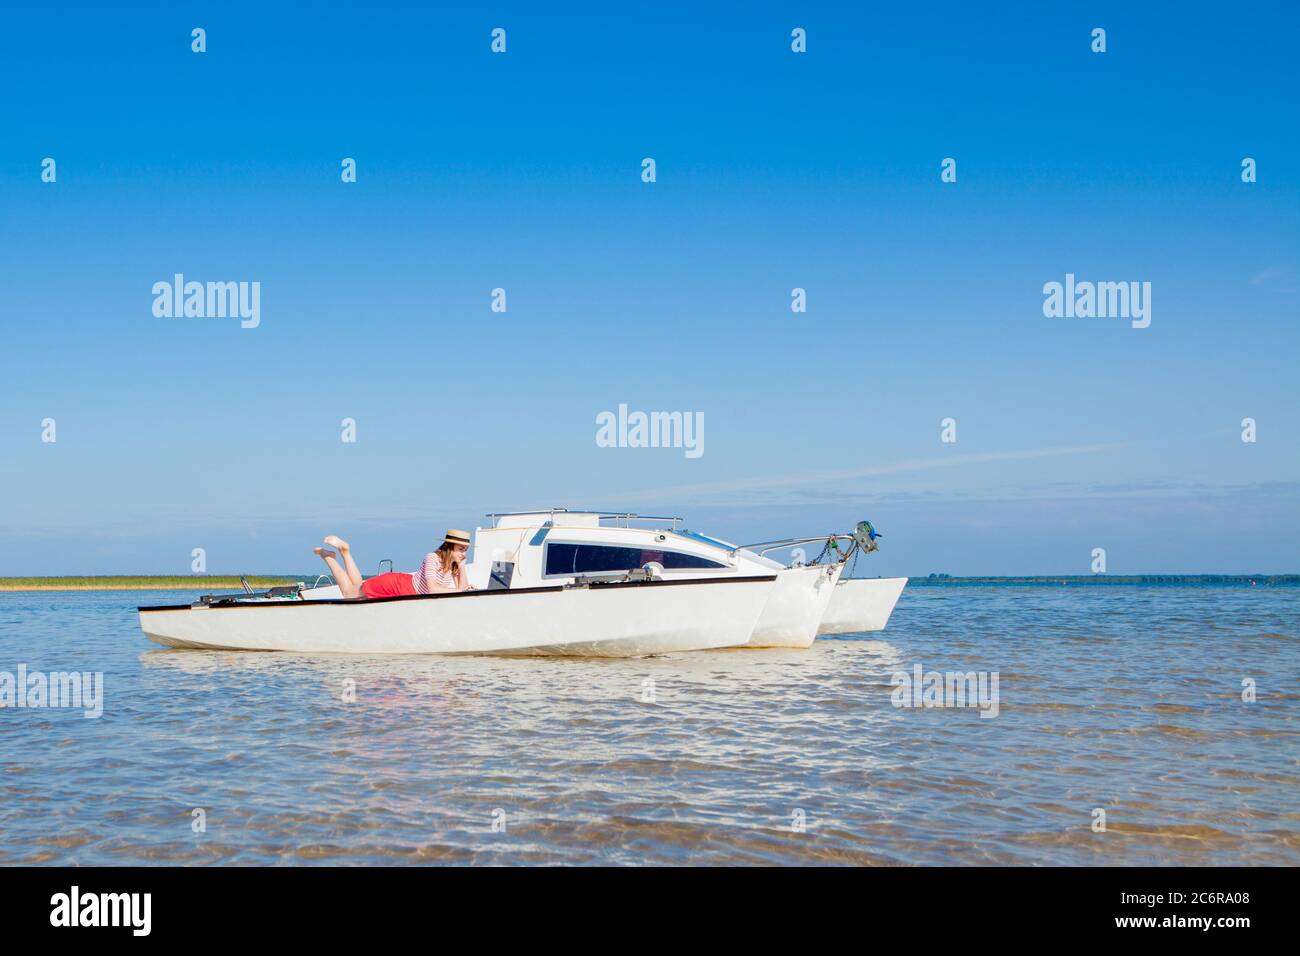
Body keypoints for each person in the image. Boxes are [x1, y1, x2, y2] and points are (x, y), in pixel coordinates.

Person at [313, 530, 473, 600]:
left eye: (465, 550)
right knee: (349, 593)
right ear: (449, 548)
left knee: (357, 586)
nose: (463, 554)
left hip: (404, 588)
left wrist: (462, 566)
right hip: (396, 586)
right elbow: (432, 589)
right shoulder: (432, 558)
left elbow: (463, 590)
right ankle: (329, 558)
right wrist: (459, 590)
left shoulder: (454, 564)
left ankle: (345, 552)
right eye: (460, 549)